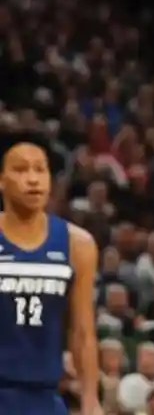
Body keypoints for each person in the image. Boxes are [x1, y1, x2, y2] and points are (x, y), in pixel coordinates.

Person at [0, 134, 102, 415]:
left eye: (40, 169)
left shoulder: (77, 244)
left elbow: (83, 332)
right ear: (2, 180)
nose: (33, 179)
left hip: (45, 396)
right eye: (21, 170)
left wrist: (91, 399)